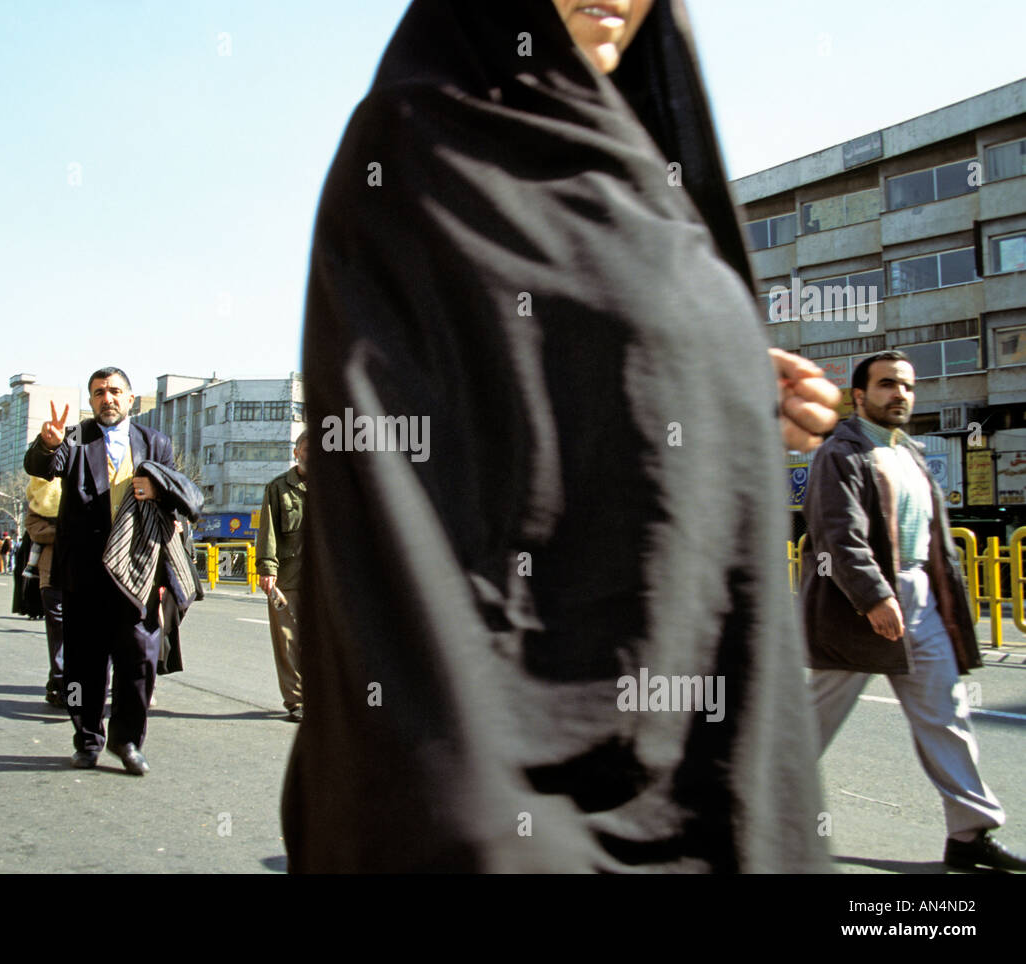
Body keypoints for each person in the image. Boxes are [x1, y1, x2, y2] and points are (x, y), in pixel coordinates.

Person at [282, 0, 840, 872]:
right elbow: (389, 455)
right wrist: (452, 777)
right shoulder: (414, 142)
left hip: (694, 731)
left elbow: (593, 371)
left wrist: (725, 384)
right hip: (499, 725)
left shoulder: (654, 181)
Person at [801, 351, 1026, 872]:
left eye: (905, 386)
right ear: (860, 396)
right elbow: (838, 533)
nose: (899, 394)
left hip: (919, 603)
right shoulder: (842, 452)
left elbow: (934, 543)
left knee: (947, 715)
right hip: (854, 606)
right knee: (810, 723)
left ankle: (970, 833)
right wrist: (875, 598)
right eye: (886, 386)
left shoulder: (911, 454)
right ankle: (743, 817)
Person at [25, 367, 199, 776]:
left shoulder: (154, 442)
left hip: (138, 572)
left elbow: (176, 499)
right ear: (91, 400)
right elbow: (42, 466)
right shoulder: (76, 438)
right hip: (84, 573)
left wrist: (157, 490)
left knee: (139, 662)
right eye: (100, 392)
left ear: (131, 399)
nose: (108, 398)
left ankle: (127, 742)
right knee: (83, 665)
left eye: (115, 391)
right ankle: (87, 740)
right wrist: (47, 445)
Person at [255, 431, 308, 722]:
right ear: (296, 453)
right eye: (307, 450)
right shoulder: (278, 488)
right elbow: (268, 532)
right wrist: (266, 569)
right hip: (287, 578)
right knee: (288, 640)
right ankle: (296, 700)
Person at [23, 478, 65, 705]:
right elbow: (34, 529)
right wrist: (65, 531)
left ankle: (62, 686)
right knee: (59, 632)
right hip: (52, 576)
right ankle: (60, 686)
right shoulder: (44, 495)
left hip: (85, 577)